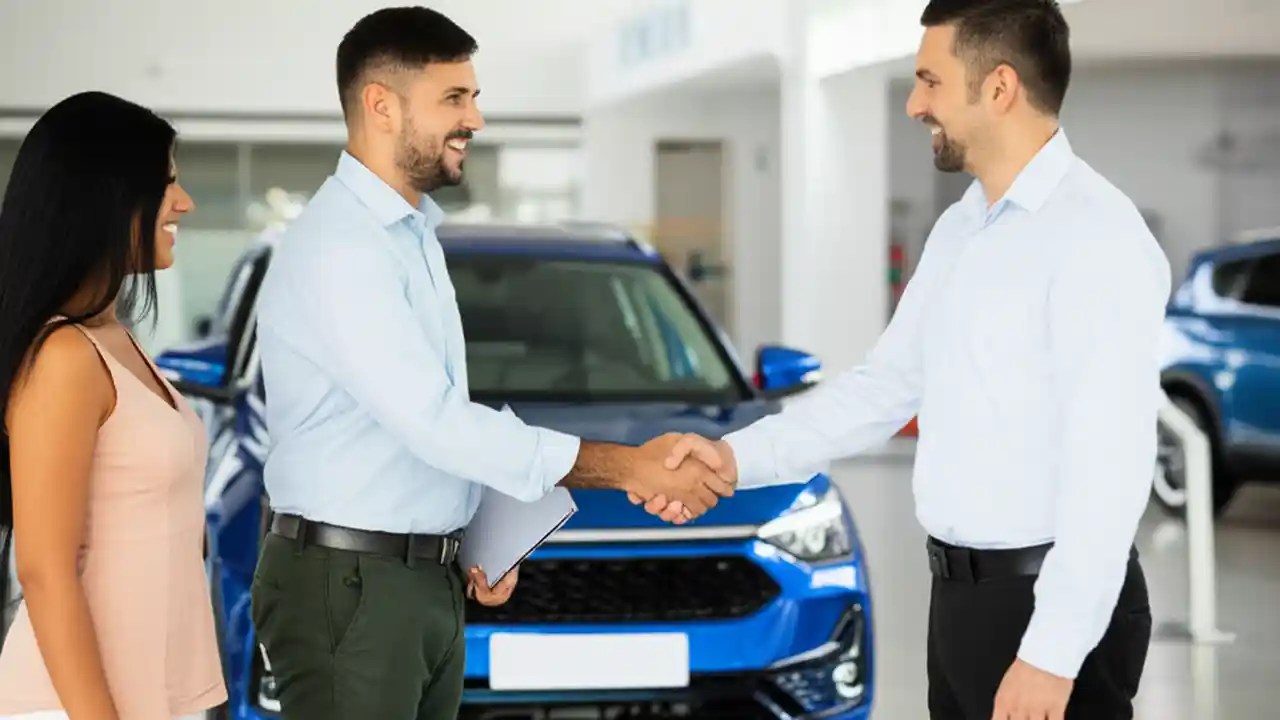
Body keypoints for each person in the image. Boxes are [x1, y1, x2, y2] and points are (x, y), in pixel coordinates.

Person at [655, 1, 1167, 718]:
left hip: (1045, 611)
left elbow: (1110, 469)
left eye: (929, 80)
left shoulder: (1096, 238)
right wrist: (731, 460)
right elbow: (886, 388)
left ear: (999, 87)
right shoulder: (963, 227)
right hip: (960, 602)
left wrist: (1051, 653)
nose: (913, 104)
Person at [249, 7, 730, 720]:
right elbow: (434, 423)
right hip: (352, 587)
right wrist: (631, 467)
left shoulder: (412, 236)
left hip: (415, 577)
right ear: (381, 105)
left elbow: (415, 431)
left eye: (473, 96)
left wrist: (475, 537)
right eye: (454, 98)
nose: (475, 118)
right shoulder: (342, 248)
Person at [0, 92, 226, 720]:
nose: (184, 203)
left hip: (152, 697)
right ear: (106, 197)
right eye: (166, 185)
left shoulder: (112, 336)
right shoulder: (65, 357)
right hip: (76, 706)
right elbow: (45, 569)